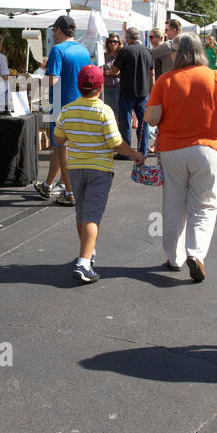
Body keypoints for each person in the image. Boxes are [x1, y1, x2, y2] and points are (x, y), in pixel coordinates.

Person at [145, 34, 217, 282]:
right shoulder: (216, 77)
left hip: (172, 150)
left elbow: (152, 118)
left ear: (177, 54)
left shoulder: (165, 80)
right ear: (201, 52)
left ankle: (174, 257)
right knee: (205, 204)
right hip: (206, 149)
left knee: (173, 204)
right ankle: (196, 254)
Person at [54, 65, 145, 283]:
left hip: (75, 168)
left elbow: (58, 139)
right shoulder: (104, 111)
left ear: (78, 86)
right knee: (92, 215)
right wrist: (134, 153)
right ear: (100, 86)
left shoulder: (67, 111)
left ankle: (87, 251)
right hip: (100, 169)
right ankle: (84, 263)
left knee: (82, 212)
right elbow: (114, 143)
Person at [33, 15, 91, 206]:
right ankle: (48, 185)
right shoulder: (83, 50)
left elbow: (53, 80)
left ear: (58, 30)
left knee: (63, 149)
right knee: (60, 148)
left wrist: (31, 83)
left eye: (53, 30)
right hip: (80, 103)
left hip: (61, 106)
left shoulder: (57, 50)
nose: (52, 33)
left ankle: (70, 192)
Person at [111, 26, 154, 157]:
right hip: (143, 92)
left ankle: (125, 152)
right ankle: (143, 150)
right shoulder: (147, 51)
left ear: (127, 38)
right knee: (143, 123)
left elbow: (114, 70)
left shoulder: (125, 50)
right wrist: (153, 91)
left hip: (127, 91)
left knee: (126, 123)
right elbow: (152, 73)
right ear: (139, 37)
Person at [102, 33, 123, 110]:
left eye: (115, 41)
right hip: (105, 88)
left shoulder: (122, 55)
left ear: (119, 43)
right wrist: (103, 73)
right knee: (105, 112)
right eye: (110, 41)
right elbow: (99, 69)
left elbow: (125, 69)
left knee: (116, 113)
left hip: (118, 88)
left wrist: (113, 72)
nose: (112, 43)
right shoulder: (104, 55)